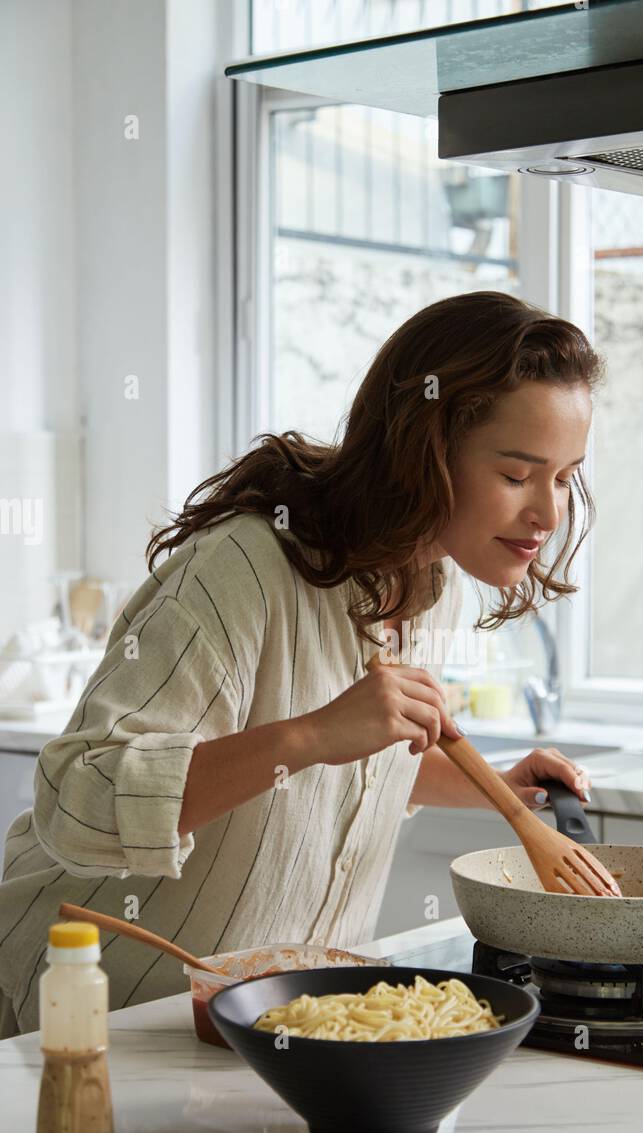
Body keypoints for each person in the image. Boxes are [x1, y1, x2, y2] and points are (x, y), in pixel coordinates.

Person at [0, 290, 602, 1037]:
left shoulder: (436, 582)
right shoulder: (244, 566)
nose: (549, 513)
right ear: (426, 450)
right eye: (518, 475)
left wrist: (497, 790)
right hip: (86, 1016)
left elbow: (356, 767)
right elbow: (76, 797)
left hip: (269, 1033)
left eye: (565, 477)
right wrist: (310, 734)